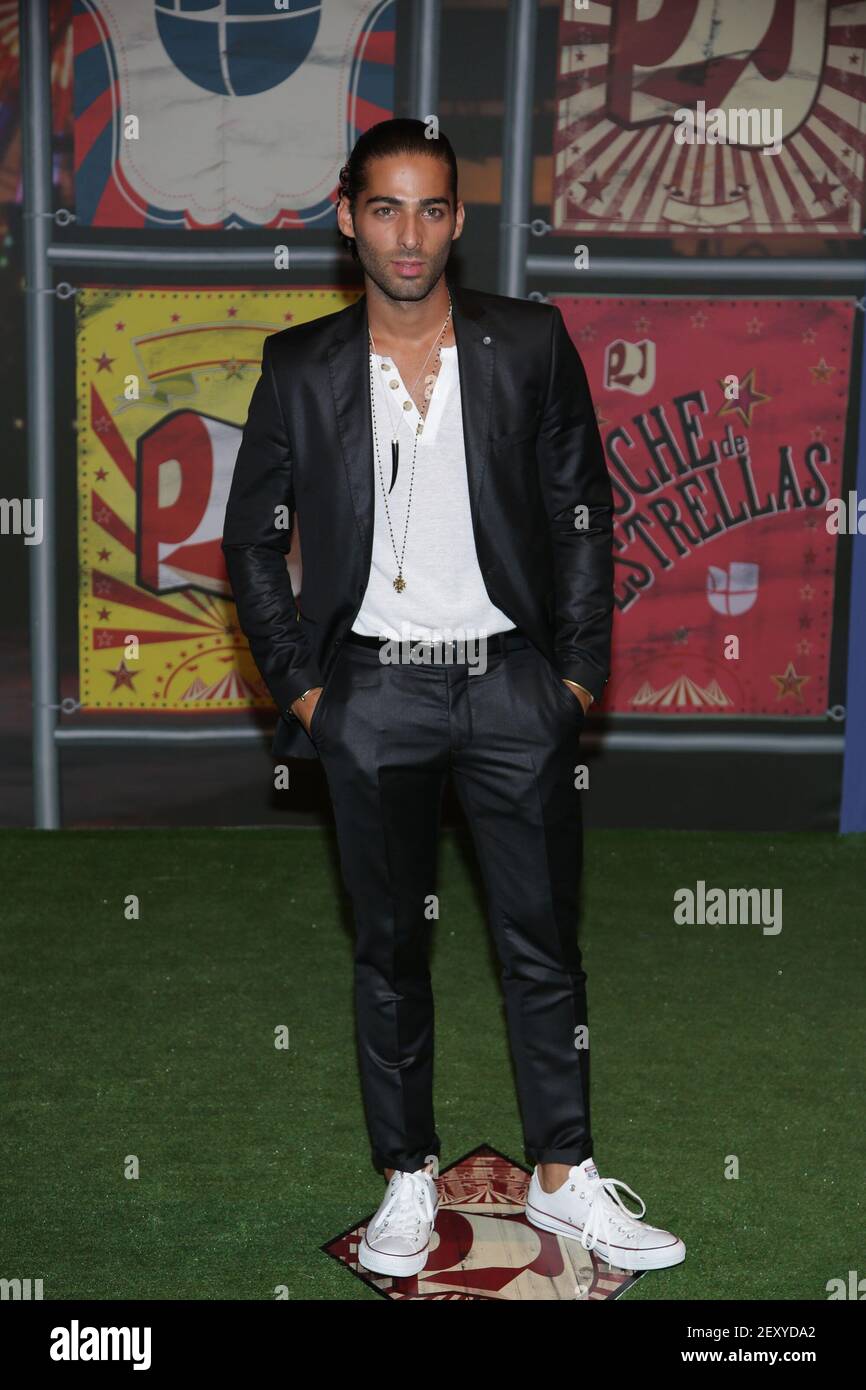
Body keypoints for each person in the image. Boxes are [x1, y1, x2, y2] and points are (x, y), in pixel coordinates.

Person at [221, 118, 685, 1279]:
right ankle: (404, 1177)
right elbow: (249, 542)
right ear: (346, 216)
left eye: (431, 209)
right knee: (388, 951)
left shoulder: (527, 343)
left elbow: (584, 509)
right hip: (370, 694)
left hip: (511, 690)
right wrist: (311, 692)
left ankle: (565, 1178)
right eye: (385, 208)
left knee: (543, 947)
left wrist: (573, 676)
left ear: (458, 221)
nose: (409, 233)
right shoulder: (300, 365)